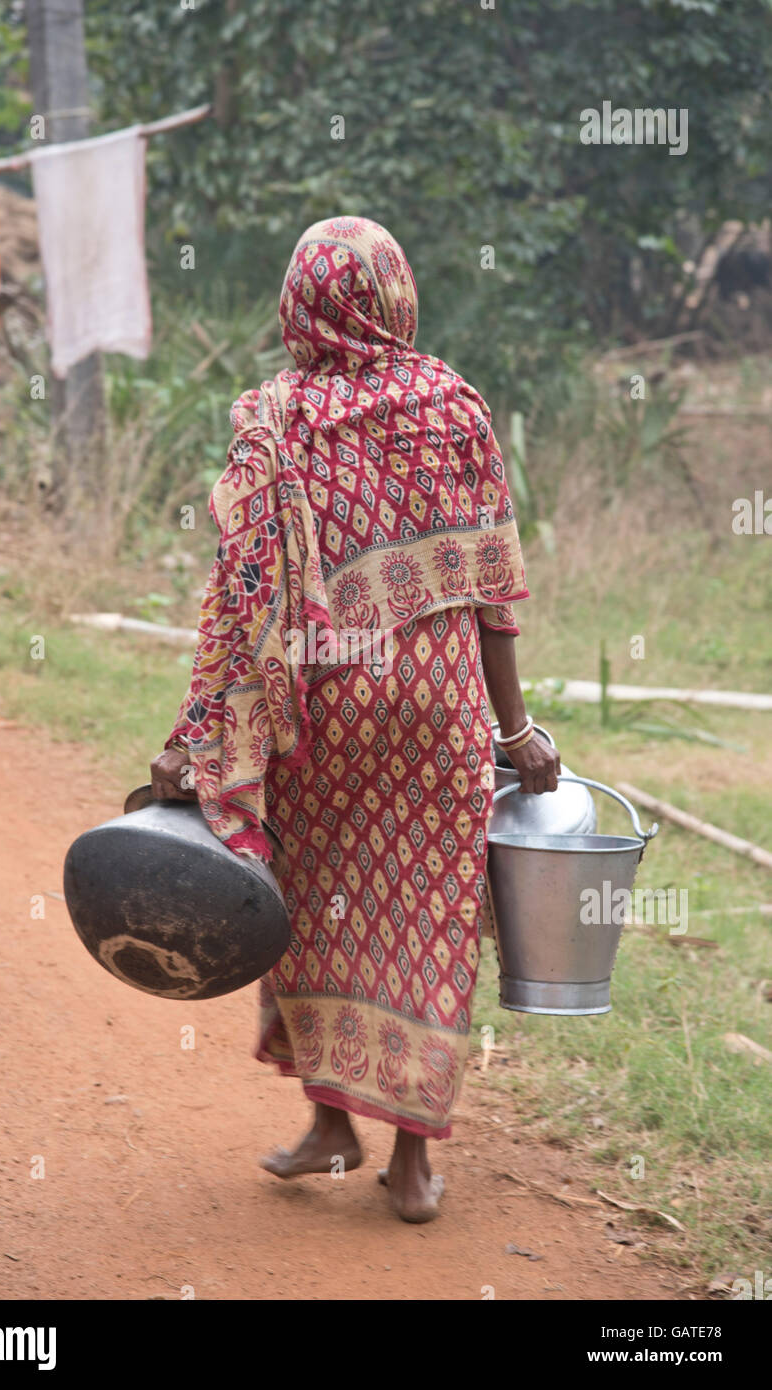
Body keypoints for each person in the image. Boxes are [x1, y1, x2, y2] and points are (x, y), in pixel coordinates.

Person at [150, 217, 559, 1223]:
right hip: (440, 709)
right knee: (425, 916)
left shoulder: (276, 420)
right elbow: (492, 595)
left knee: (317, 909)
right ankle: (401, 1157)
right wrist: (515, 733)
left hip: (327, 713)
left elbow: (239, 599)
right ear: (395, 299)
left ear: (298, 306)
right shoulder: (452, 406)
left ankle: (335, 1125)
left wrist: (198, 733)